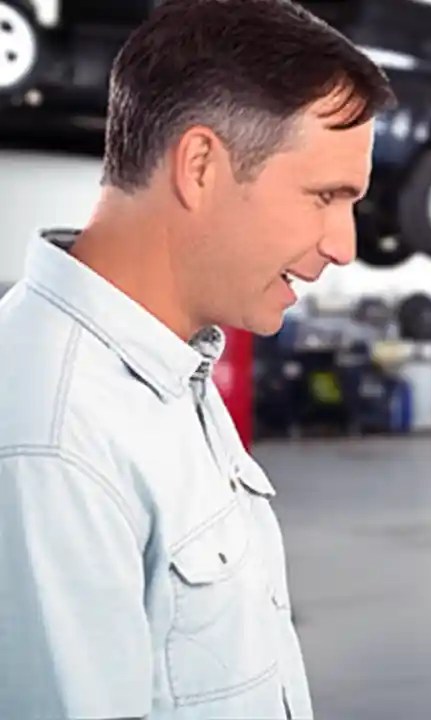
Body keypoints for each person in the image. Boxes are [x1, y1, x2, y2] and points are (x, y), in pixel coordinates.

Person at [0, 1, 394, 718]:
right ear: (202, 165)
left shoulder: (166, 370)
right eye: (325, 197)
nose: (344, 245)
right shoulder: (51, 436)